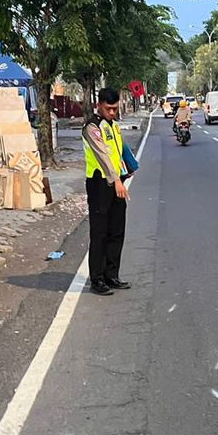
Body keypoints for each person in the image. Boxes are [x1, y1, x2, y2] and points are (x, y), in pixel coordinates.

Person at [83, 88, 132, 296]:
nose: (113, 112)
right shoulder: (91, 128)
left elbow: (118, 151)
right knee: (100, 232)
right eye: (109, 109)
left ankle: (112, 275)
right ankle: (97, 279)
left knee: (117, 230)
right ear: (99, 105)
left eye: (115, 108)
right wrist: (116, 181)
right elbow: (103, 156)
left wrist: (127, 169)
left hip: (116, 182)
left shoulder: (115, 126)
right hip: (99, 184)